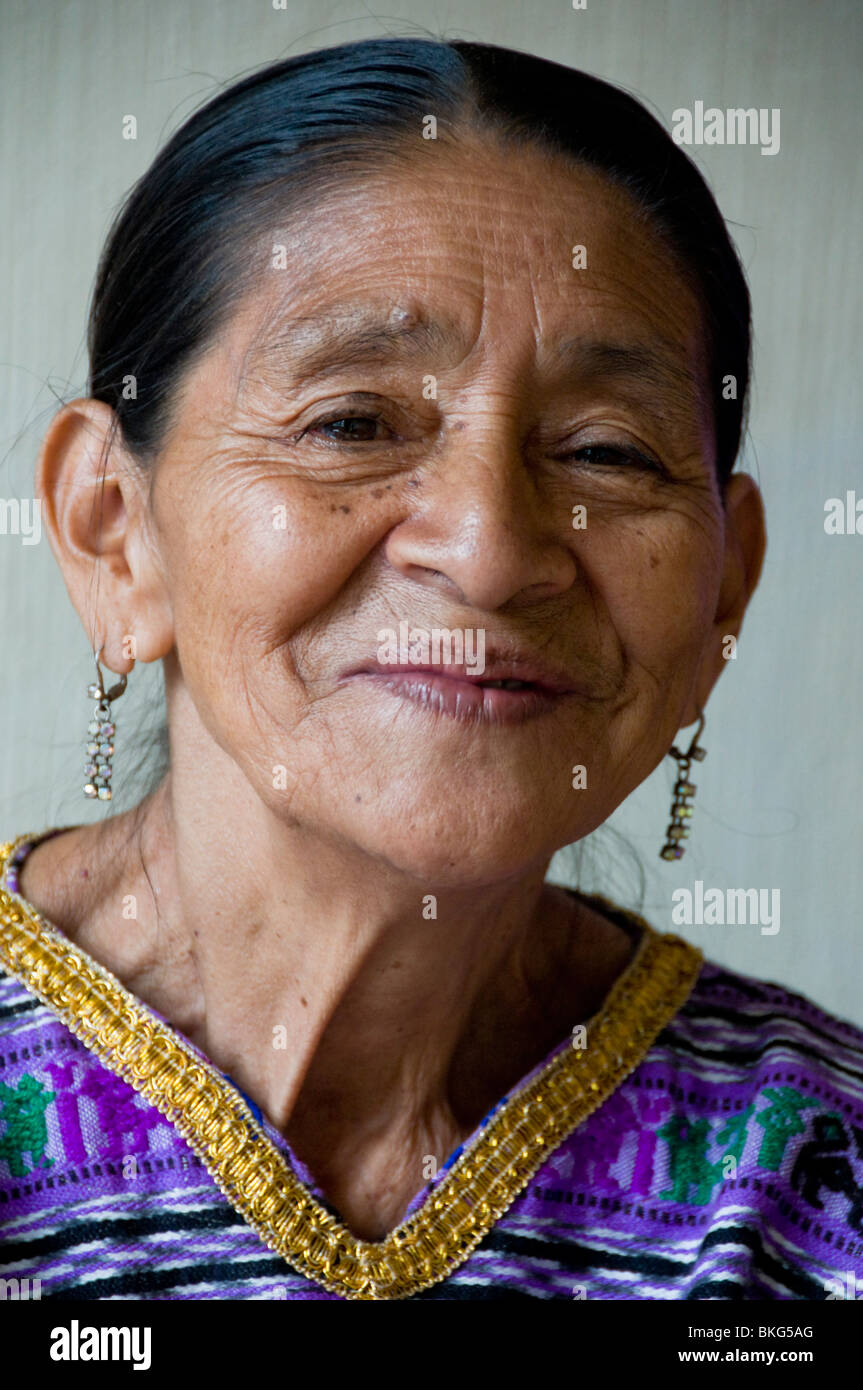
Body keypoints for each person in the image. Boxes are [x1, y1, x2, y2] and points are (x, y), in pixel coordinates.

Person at [1, 37, 860, 1302]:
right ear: (110, 529)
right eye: (351, 423)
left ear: (723, 592)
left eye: (606, 453)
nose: (490, 549)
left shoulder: (808, 1172)